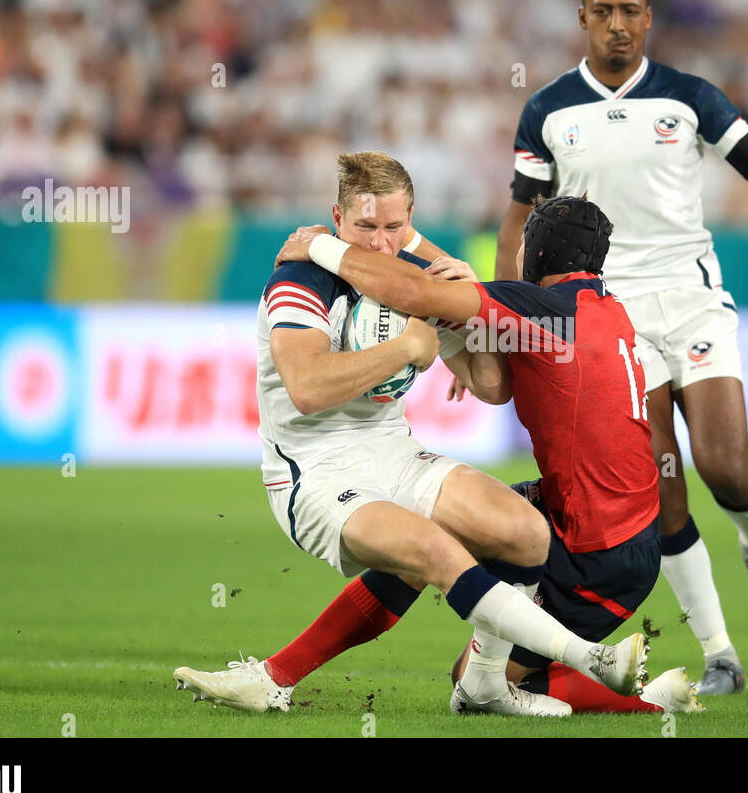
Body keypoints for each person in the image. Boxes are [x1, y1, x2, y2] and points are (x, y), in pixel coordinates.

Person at [173, 152, 649, 716]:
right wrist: (403, 349)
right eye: (366, 227)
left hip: (394, 452)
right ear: (337, 219)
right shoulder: (302, 277)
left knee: (523, 531)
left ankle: (477, 684)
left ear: (412, 222)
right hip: (314, 472)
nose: (379, 243)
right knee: (432, 549)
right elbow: (305, 386)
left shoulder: (417, 278)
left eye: (394, 227)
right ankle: (593, 660)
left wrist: (471, 313)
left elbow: (492, 385)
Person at [494, 0, 748, 694]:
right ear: (583, 18)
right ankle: (722, 654)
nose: (617, 24)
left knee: (727, 467)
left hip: (694, 298)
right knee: (663, 485)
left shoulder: (692, 96)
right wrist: (507, 320)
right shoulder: (548, 110)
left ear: (648, 18)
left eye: (630, 11)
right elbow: (517, 217)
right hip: (611, 317)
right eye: (603, 11)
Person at [277, 195, 703, 715]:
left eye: (525, 243)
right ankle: (279, 672)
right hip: (600, 519)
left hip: (601, 553)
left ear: (539, 256)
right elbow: (499, 371)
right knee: (432, 535)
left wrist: (319, 244)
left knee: (471, 685)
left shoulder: (543, 309)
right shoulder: (601, 310)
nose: (518, 250)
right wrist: (466, 317)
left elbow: (411, 289)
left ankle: (647, 703)